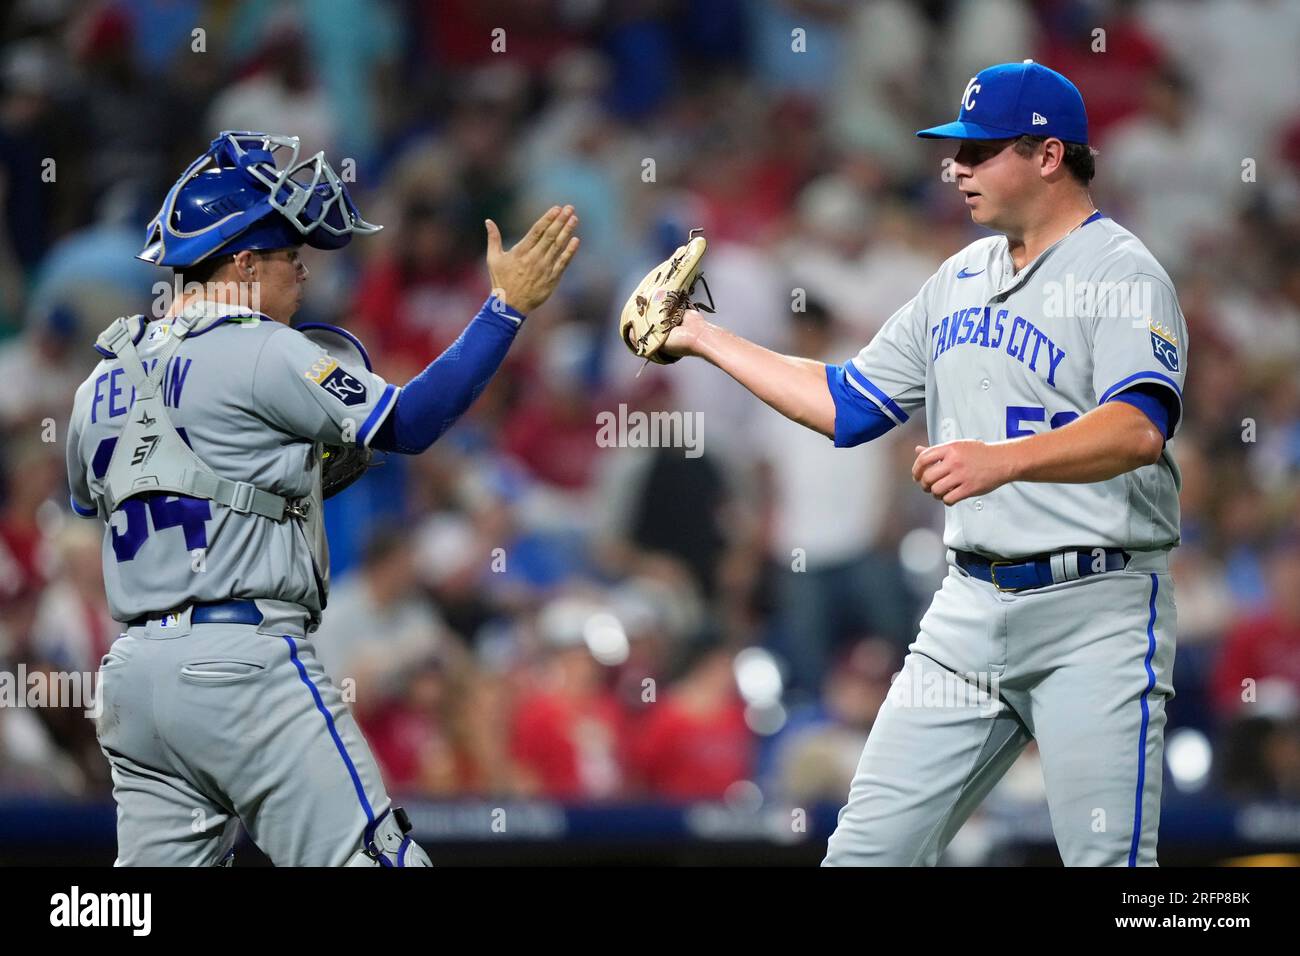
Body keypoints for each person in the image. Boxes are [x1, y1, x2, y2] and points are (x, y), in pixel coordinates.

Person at [657, 62, 1187, 866]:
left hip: (1099, 611)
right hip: (967, 613)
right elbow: (847, 403)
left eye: (979, 151)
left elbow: (1138, 426)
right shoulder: (959, 277)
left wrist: (1002, 462)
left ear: (1048, 155)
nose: (957, 168)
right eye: (956, 152)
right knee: (863, 857)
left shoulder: (1122, 273)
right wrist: (701, 336)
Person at [64, 131, 579, 865]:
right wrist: (505, 310)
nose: (302, 274)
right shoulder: (259, 346)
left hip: (136, 683)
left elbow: (100, 504)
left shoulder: (98, 381)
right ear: (242, 263)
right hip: (242, 662)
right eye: (287, 257)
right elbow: (410, 422)